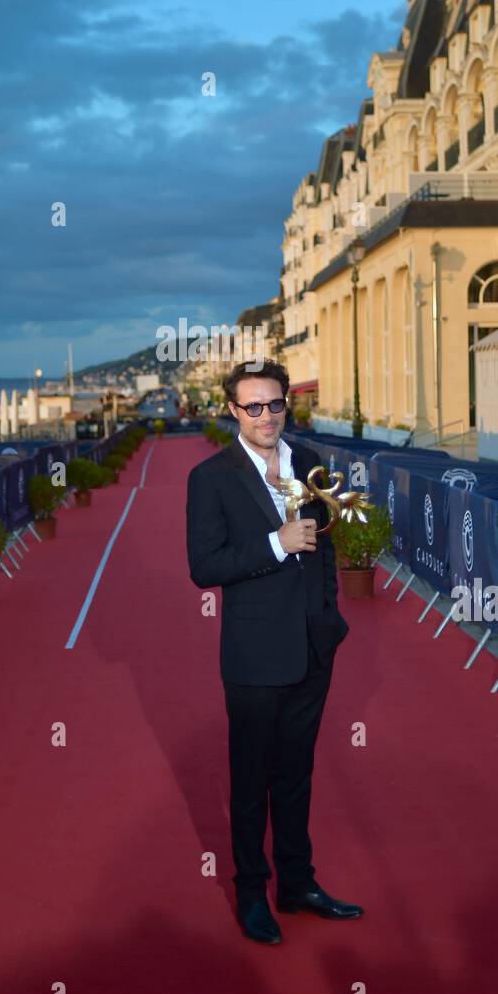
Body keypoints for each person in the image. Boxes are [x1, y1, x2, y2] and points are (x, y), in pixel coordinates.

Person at [186, 360, 364, 945]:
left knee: (296, 774)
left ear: (287, 403)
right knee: (250, 781)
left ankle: (297, 882)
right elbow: (204, 567)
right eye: (253, 406)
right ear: (233, 411)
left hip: (314, 646)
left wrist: (330, 619)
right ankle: (250, 892)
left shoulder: (309, 464)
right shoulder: (210, 478)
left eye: (275, 404)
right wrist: (275, 543)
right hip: (255, 655)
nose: (267, 416)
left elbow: (329, 544)